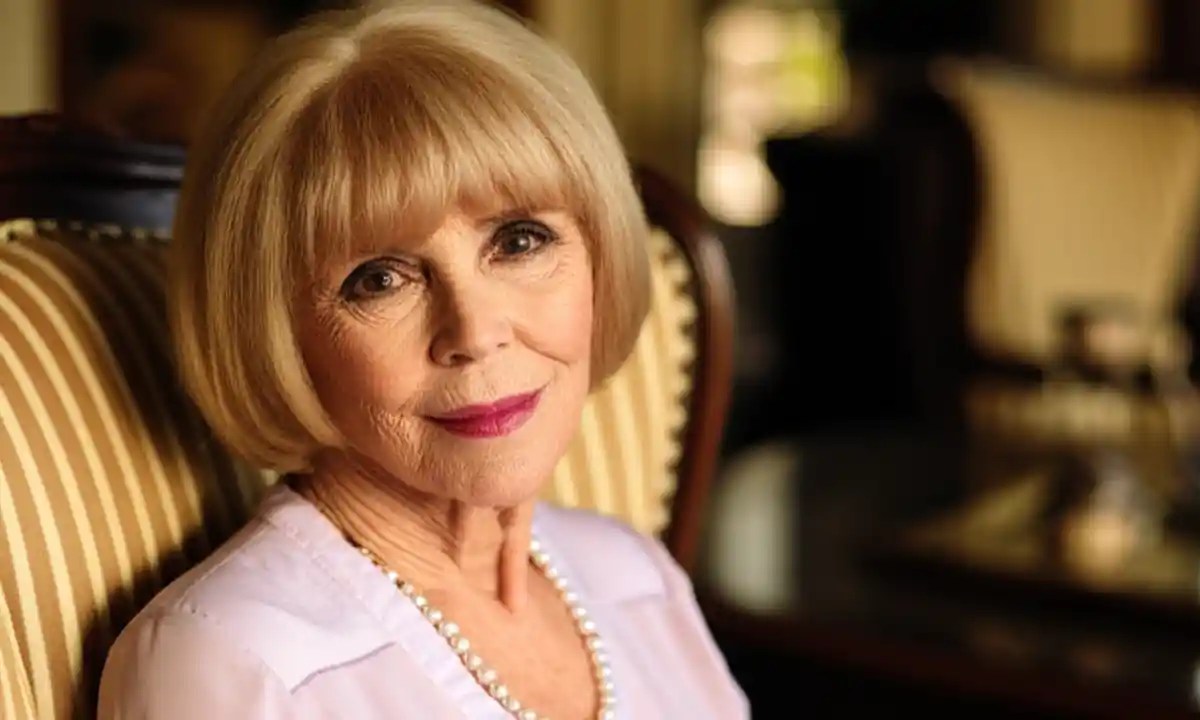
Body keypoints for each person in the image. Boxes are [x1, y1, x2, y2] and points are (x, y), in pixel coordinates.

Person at [96, 1, 748, 717]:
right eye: (379, 279)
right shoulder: (234, 663)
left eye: (520, 240)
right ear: (275, 333)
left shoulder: (633, 577)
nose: (474, 330)